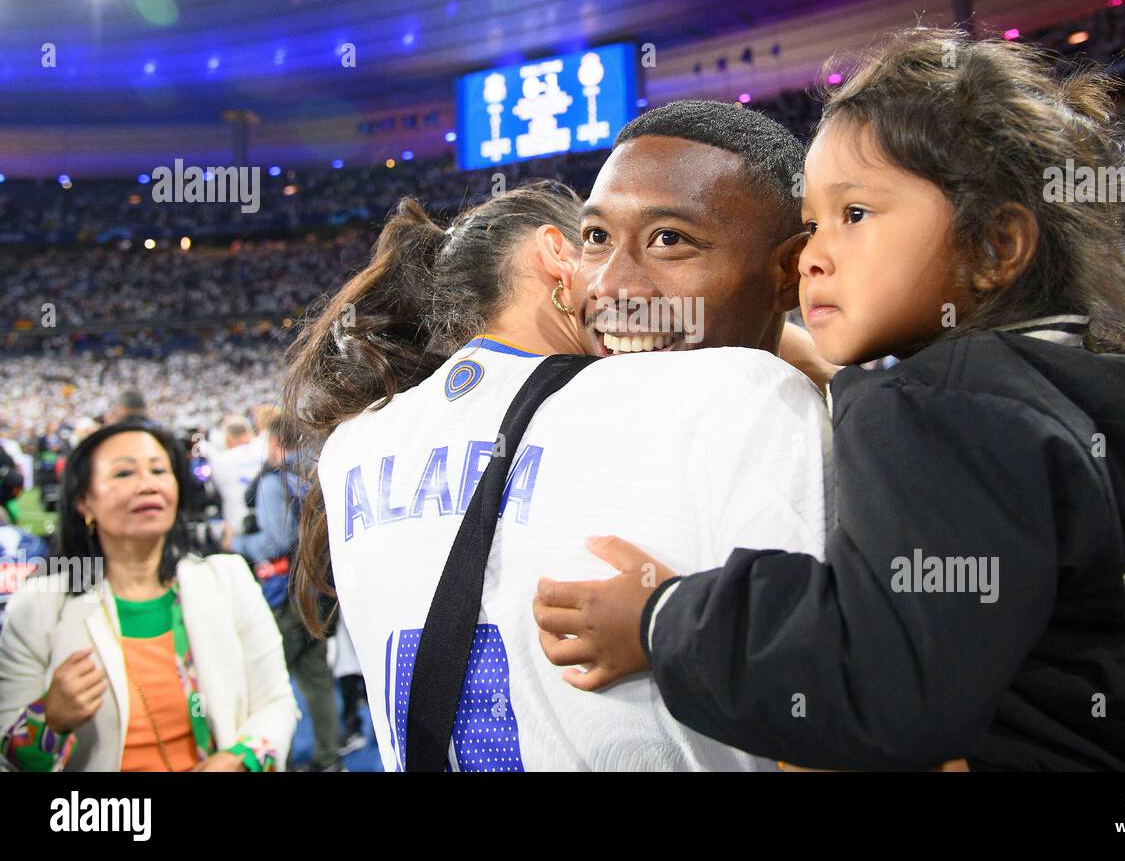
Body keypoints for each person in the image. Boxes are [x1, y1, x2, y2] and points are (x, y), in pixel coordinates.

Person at [533, 26, 1125, 771]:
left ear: (995, 247)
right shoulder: (1113, 388)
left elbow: (882, 687)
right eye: (811, 223)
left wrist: (661, 619)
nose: (811, 256)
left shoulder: (931, 404)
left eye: (855, 216)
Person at [292, 109, 831, 771]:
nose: (610, 284)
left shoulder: (356, 440)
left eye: (668, 240)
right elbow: (826, 722)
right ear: (559, 254)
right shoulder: (742, 394)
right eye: (596, 236)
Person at [0, 421, 296, 771]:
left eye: (159, 470)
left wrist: (240, 760)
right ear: (84, 501)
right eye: (124, 473)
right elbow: (10, 758)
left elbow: (277, 703)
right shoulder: (39, 606)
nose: (148, 484)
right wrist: (48, 721)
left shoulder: (228, 581)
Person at [225, 411, 341, 772]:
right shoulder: (319, 471)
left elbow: (276, 540)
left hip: (289, 593)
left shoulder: (274, 481)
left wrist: (238, 542)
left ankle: (280, 759)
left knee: (273, 683)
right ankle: (329, 758)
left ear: (274, 443)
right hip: (320, 588)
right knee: (317, 678)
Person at [207, 414, 264, 539]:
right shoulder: (265, 451)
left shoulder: (219, 462)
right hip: (270, 524)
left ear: (228, 438)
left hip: (237, 531)